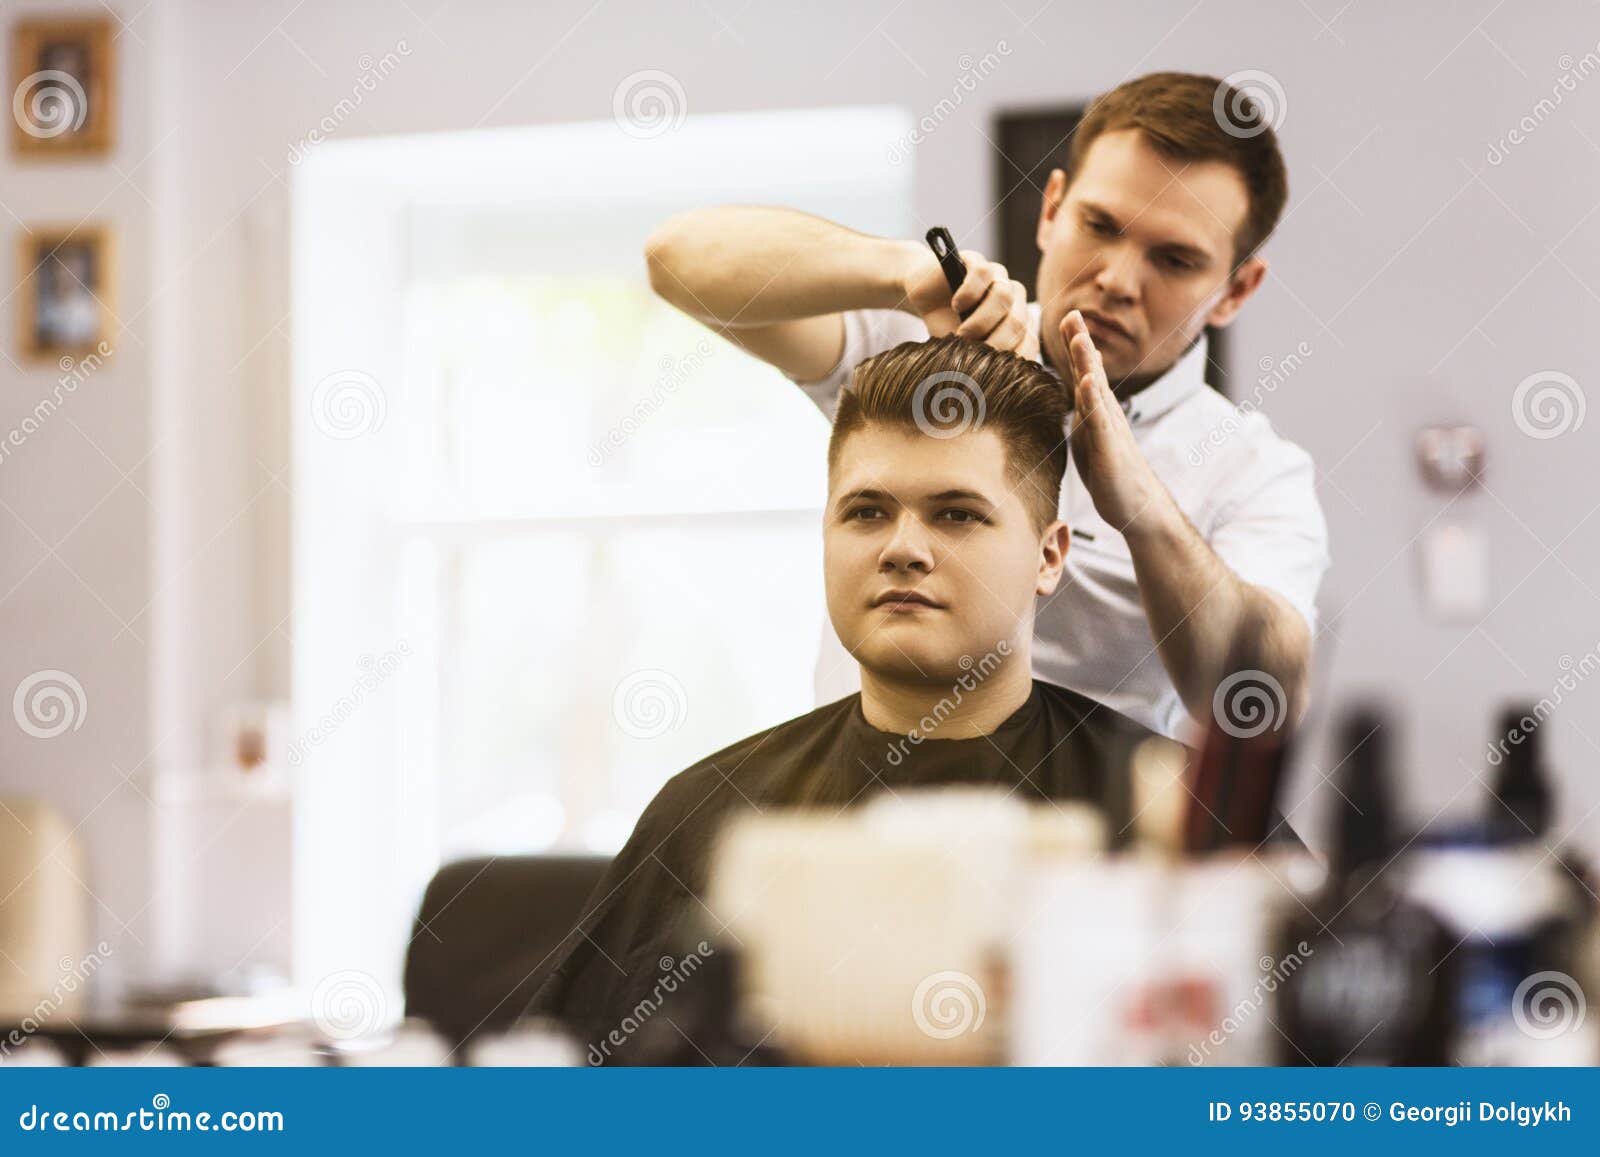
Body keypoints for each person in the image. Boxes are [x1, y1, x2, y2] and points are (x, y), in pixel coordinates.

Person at [521, 335, 1163, 1057]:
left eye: (955, 513)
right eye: (866, 512)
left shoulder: (1169, 814)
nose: (903, 548)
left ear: (1048, 555)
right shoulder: (707, 814)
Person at [645, 71, 1330, 741]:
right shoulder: (916, 343)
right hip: (859, 817)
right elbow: (676, 259)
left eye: (1175, 260)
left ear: (1238, 289)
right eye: (1099, 225)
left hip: (1091, 842)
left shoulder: (1254, 472)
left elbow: (1262, 701)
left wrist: (1144, 513)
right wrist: (896, 270)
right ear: (1052, 208)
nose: (1118, 279)